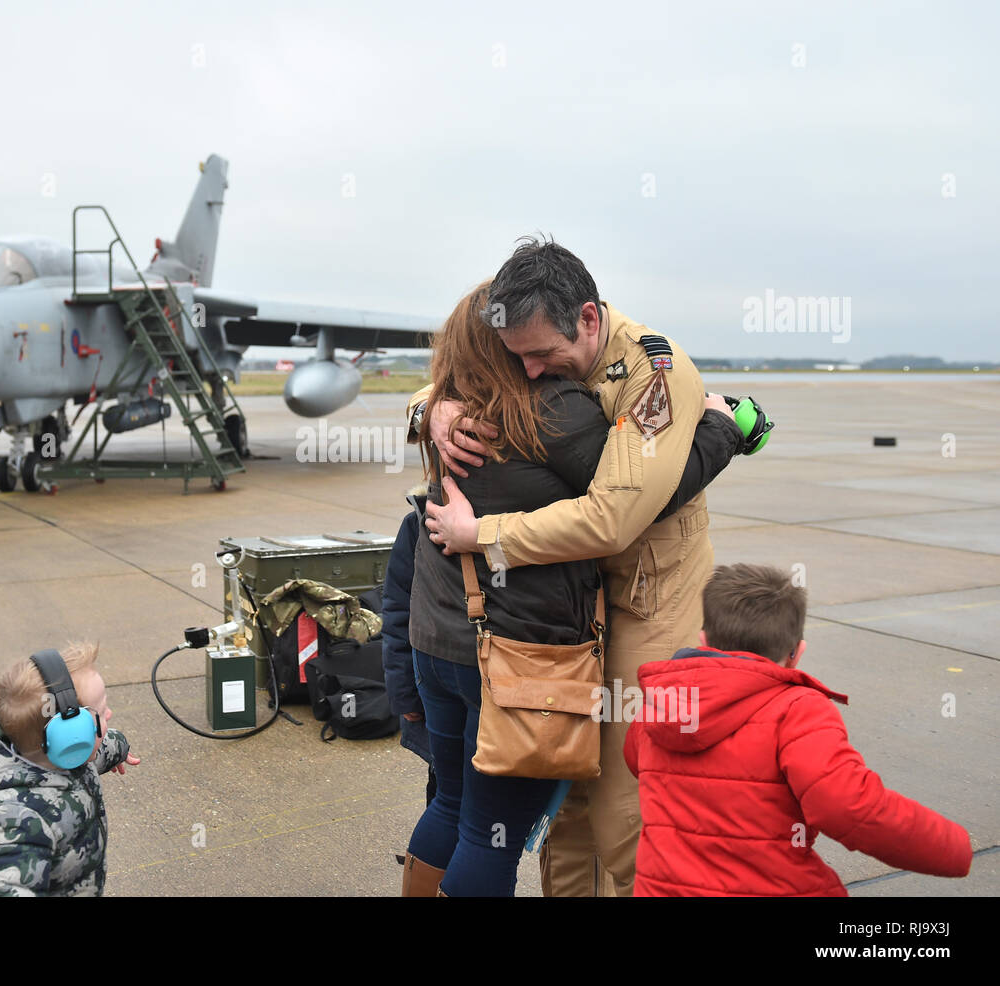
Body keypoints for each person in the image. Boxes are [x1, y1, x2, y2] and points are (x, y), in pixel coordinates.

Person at [414, 237, 730, 897]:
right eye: (517, 356)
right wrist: (431, 409)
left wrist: (483, 535)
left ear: (588, 319)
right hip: (577, 600)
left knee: (622, 798)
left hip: (648, 595)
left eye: (542, 356)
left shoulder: (654, 374)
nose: (529, 372)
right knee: (570, 791)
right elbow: (467, 370)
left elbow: (612, 521)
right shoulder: (532, 351)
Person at [623, 564, 972, 895]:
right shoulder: (797, 710)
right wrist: (954, 848)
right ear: (797, 653)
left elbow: (636, 760)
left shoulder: (663, 701)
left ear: (704, 639)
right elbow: (848, 805)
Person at [0, 641, 139, 896]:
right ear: (71, 739)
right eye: (101, 713)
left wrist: (119, 748)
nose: (110, 714)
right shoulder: (20, 818)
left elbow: (98, 751)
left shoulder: (57, 754)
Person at [381, 486, 437, 817]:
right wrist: (405, 695)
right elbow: (398, 612)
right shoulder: (417, 524)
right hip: (440, 697)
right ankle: (434, 867)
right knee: (447, 797)